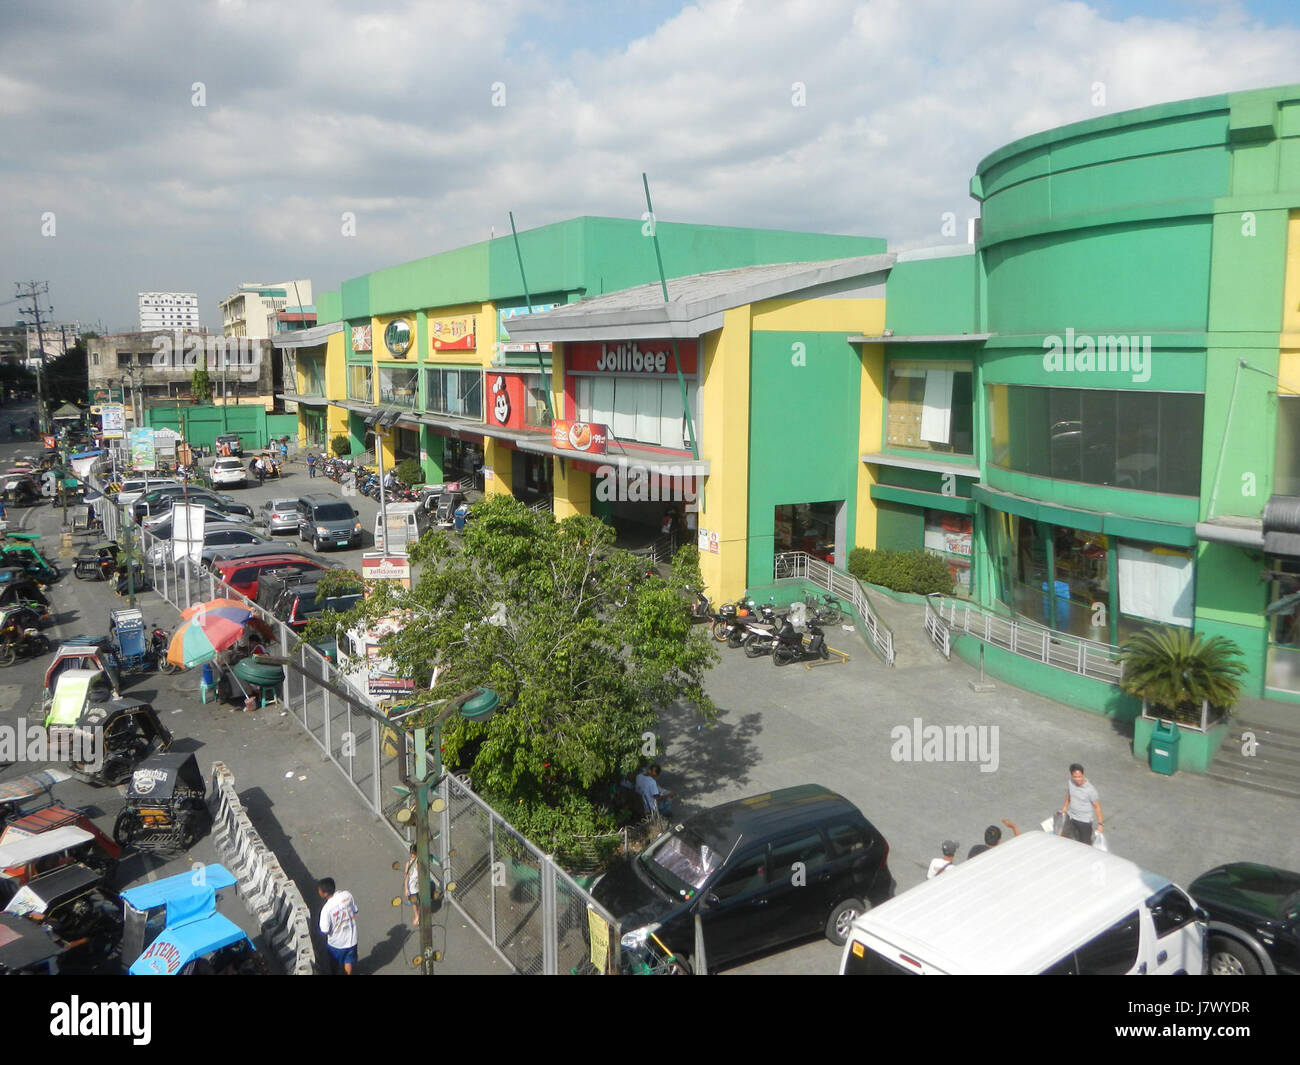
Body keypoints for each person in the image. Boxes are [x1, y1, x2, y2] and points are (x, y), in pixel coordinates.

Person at [317, 877, 358, 975]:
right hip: (351, 939)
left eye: (319, 890)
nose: (318, 892)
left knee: (335, 965)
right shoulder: (347, 895)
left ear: (325, 893)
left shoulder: (326, 909)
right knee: (348, 962)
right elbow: (355, 910)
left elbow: (324, 930)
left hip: (336, 944)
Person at [1059, 763, 1103, 845]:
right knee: (1066, 839)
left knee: (1085, 844)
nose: (1077, 779)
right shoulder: (1070, 783)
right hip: (1071, 817)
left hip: (1085, 822)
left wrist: (1100, 824)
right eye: (1075, 777)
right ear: (1071, 776)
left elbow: (1097, 807)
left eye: (1079, 776)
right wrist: (1065, 807)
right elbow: (1069, 794)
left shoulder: (1090, 790)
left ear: (1083, 775)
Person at [405, 845, 421, 927]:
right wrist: (406, 889)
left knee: (419, 901)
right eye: (411, 854)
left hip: (418, 887)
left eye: (414, 854)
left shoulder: (418, 864)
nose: (412, 856)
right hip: (411, 888)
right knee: (413, 903)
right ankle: (417, 915)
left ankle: (419, 915)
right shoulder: (408, 863)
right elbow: (406, 876)